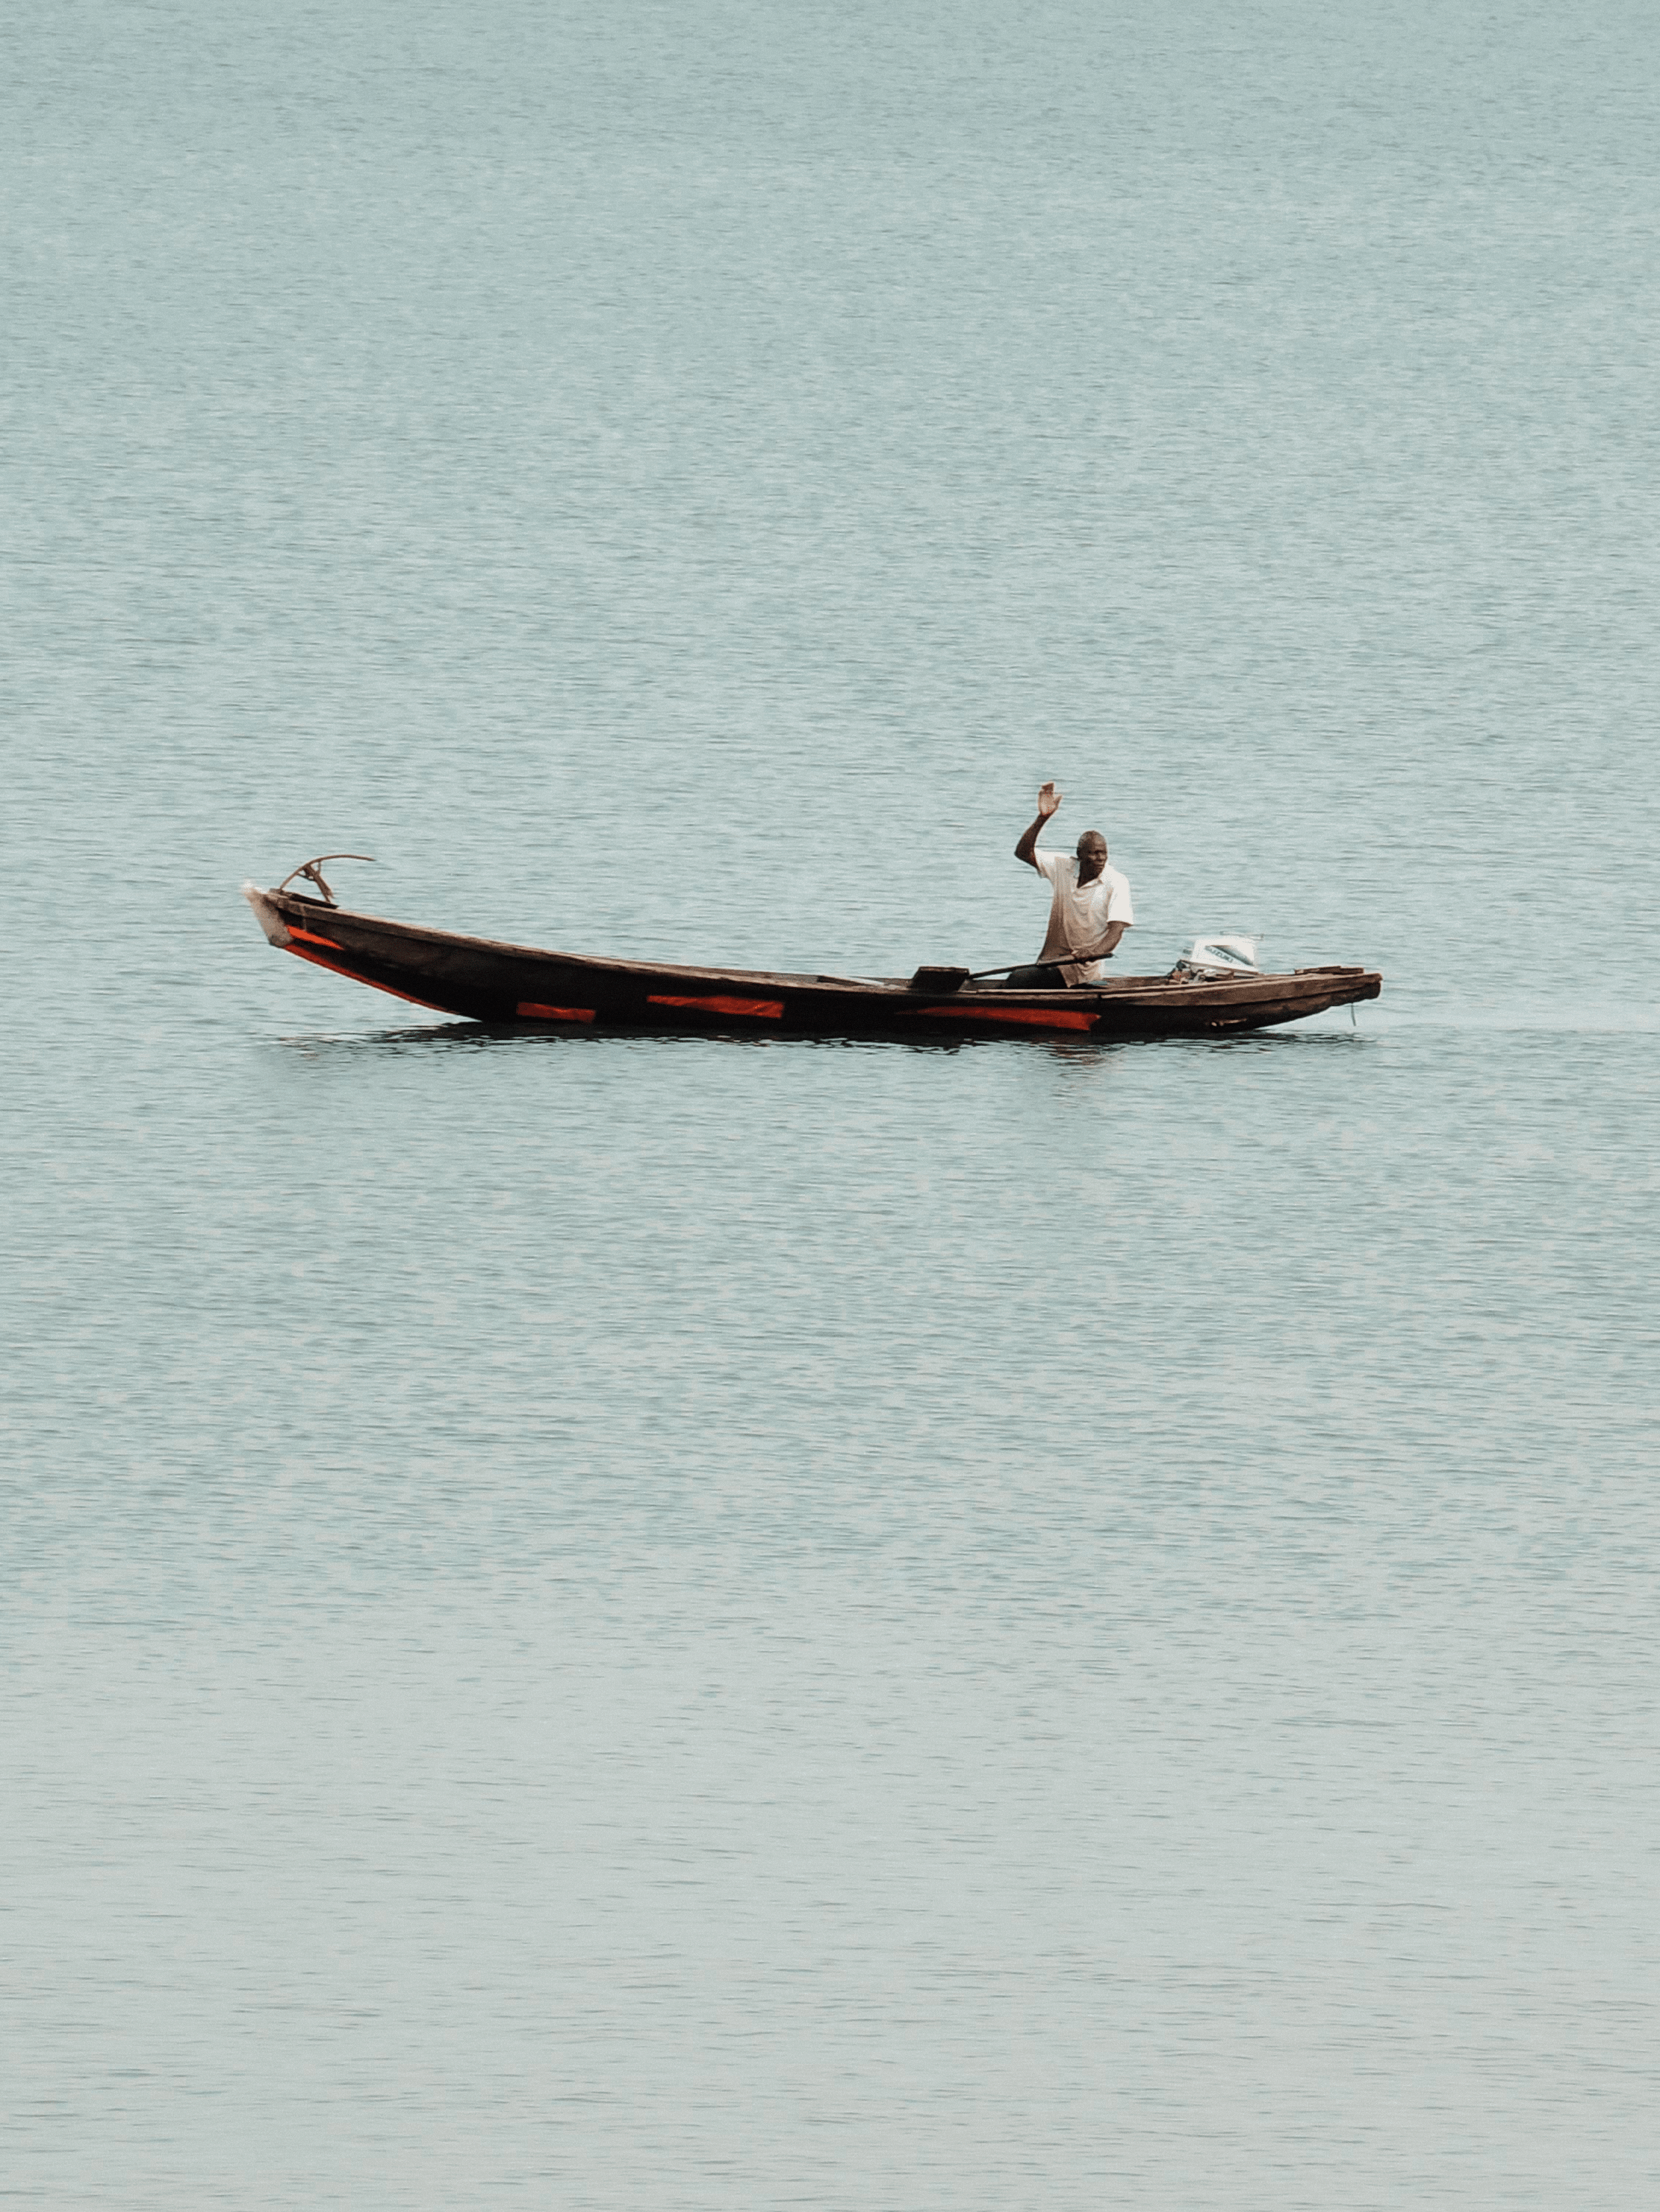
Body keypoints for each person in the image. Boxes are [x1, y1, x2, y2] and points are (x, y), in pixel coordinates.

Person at [1005, 781, 1134, 987]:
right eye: (1094, 853)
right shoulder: (1063, 867)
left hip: (1082, 971)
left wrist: (1094, 953)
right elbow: (1022, 853)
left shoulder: (1116, 882)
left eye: (1104, 853)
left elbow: (1116, 930)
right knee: (1017, 980)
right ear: (1079, 855)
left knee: (1017, 980)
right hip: (1051, 962)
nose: (1101, 858)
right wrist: (1042, 818)